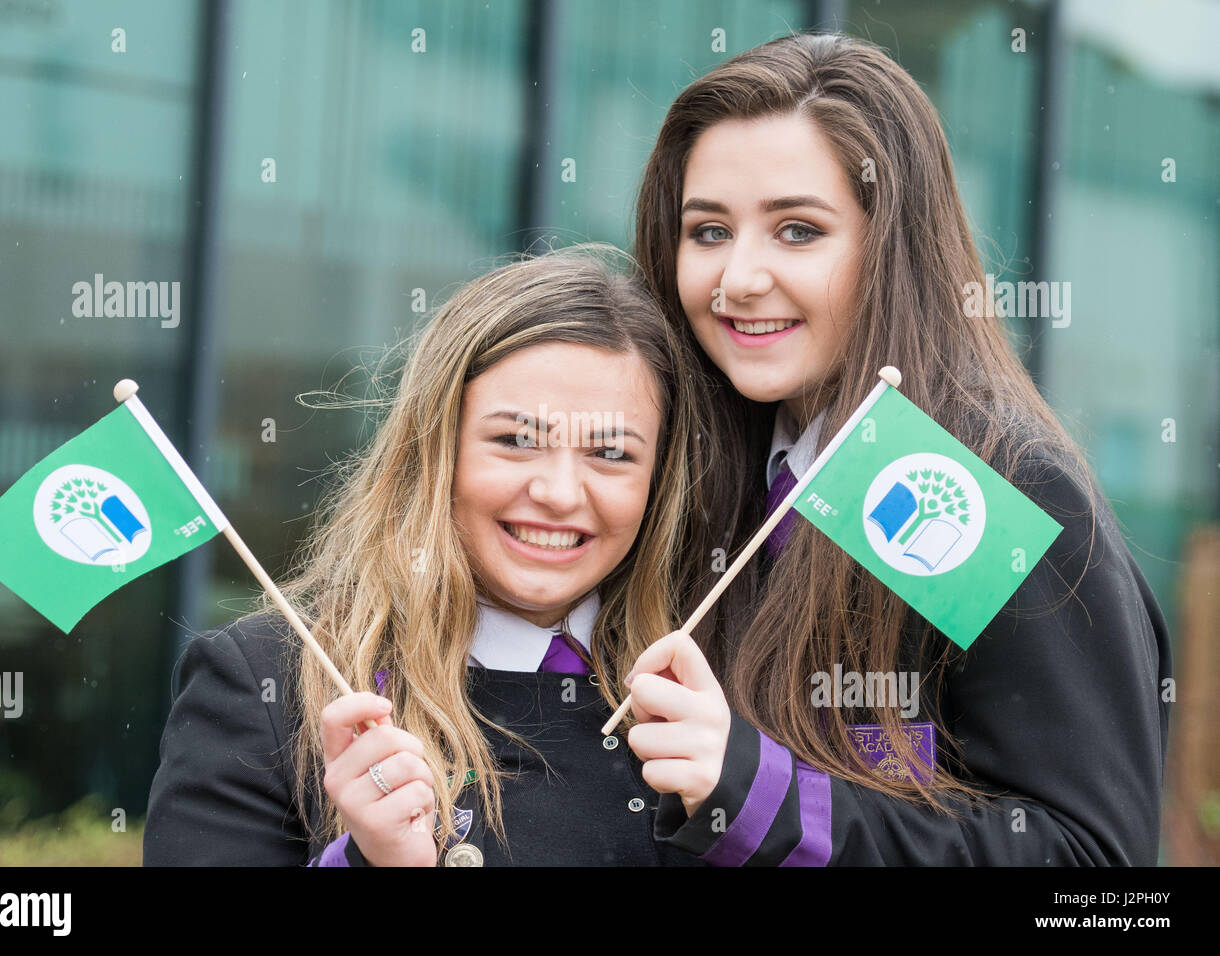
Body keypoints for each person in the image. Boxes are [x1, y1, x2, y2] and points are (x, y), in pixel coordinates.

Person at [623, 32, 1172, 865]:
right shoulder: (689, 475)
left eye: (798, 231)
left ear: (893, 248)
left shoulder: (973, 490)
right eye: (707, 231)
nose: (737, 278)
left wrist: (758, 792)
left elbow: (1091, 870)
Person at [143, 245, 714, 866]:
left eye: (611, 453)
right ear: (434, 448)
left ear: (659, 481)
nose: (558, 493)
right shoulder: (269, 682)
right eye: (516, 440)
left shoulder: (707, 700)